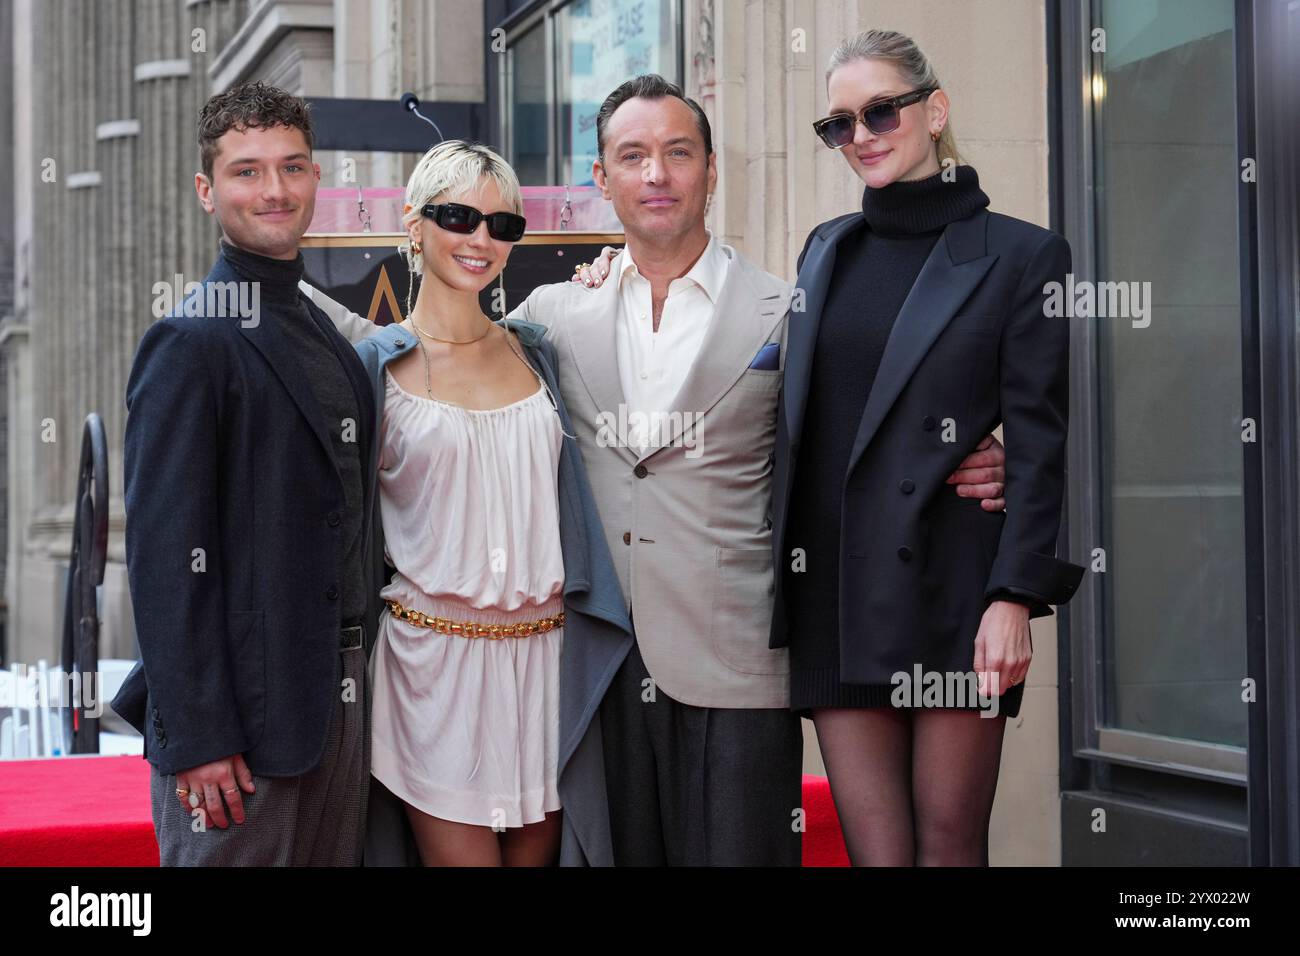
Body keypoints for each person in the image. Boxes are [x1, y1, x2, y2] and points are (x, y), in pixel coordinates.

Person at [519, 75, 1008, 865]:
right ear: (601, 180)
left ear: (713, 169)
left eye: (679, 153)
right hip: (599, 662)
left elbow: (883, 422)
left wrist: (992, 453)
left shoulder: (793, 310)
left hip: (739, 663)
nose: (658, 174)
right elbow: (450, 386)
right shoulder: (549, 315)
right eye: (633, 156)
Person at [768, 29, 1086, 866]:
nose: (860, 135)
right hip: (833, 586)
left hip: (953, 591)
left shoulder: (1024, 256)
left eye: (879, 111)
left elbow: (1043, 442)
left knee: (948, 847)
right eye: (838, 123)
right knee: (878, 855)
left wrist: (1015, 597)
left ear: (933, 109)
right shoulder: (824, 249)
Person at [341, 140, 631, 866]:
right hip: (431, 669)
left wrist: (606, 271)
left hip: (544, 664)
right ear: (413, 223)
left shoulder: (541, 348)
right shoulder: (375, 370)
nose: (481, 239)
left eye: (503, 226)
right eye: (458, 216)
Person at [112, 81, 374, 865]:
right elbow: (164, 557)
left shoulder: (329, 338)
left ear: (316, 181)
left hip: (340, 702)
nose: (274, 190)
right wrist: (197, 735)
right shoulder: (189, 341)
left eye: (292, 168)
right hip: (238, 732)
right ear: (207, 190)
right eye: (247, 171)